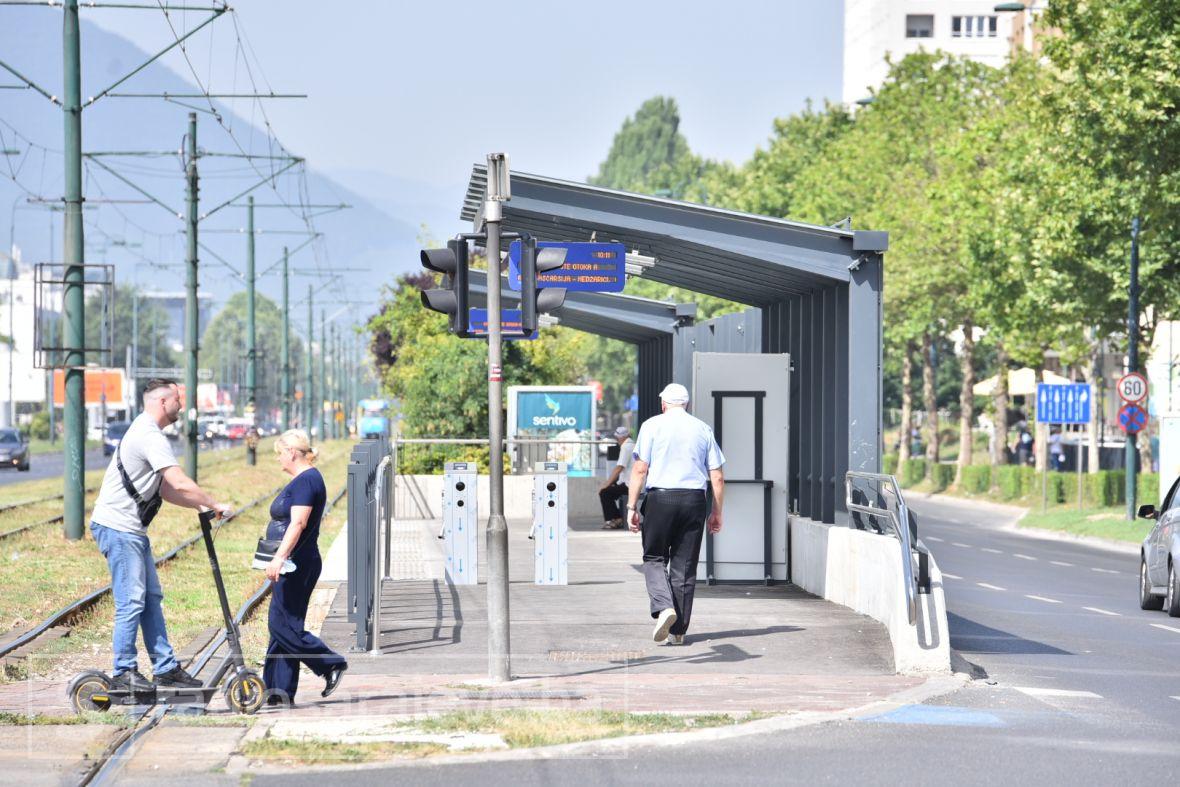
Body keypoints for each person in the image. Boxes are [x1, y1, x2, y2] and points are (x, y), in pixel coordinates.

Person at [90, 378, 233, 693]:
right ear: (163, 401)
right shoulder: (148, 435)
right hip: (118, 527)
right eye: (178, 400)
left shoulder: (148, 432)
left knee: (150, 599)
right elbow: (178, 481)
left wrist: (200, 506)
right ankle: (123, 672)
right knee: (131, 601)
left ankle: (165, 668)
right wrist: (212, 503)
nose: (181, 405)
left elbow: (166, 490)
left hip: (130, 528)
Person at [626, 383, 725, 646]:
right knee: (684, 567)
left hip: (660, 498)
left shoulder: (651, 425)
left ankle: (664, 605)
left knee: (654, 557)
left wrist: (631, 506)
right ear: (687, 404)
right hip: (694, 500)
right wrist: (716, 512)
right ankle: (678, 631)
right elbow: (716, 475)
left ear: (663, 404)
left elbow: (639, 469)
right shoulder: (703, 428)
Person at [262, 429, 348, 706]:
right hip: (295, 561)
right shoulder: (306, 479)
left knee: (282, 624)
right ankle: (278, 692)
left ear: (291, 452)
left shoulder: (306, 481)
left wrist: (279, 558)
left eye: (279, 454)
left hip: (296, 563)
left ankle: (330, 663)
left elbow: (298, 524)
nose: (278, 460)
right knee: (283, 625)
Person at [598, 426, 635, 529]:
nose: (617, 440)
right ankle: (618, 518)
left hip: (630, 485)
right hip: (632, 483)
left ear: (622, 438)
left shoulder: (626, 447)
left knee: (605, 492)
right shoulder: (633, 444)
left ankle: (612, 520)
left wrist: (606, 484)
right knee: (611, 491)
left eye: (617, 438)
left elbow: (619, 468)